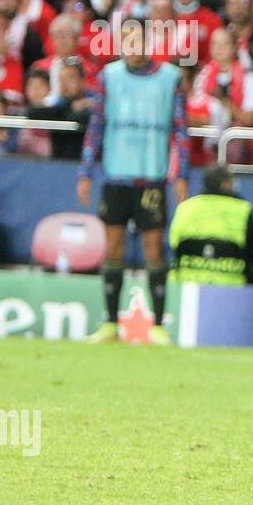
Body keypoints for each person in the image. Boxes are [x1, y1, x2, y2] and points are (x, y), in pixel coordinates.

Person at [77, 21, 190, 346]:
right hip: (116, 176)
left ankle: (157, 325)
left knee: (153, 247)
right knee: (113, 246)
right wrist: (85, 171)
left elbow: (180, 129)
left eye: (138, 38)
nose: (133, 44)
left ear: (148, 41)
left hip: (151, 177)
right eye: (126, 38)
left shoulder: (170, 78)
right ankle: (111, 323)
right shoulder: (108, 76)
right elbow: (96, 125)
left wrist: (180, 173)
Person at [169, 164, 253, 287]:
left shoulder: (185, 207)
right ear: (224, 184)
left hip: (185, 283)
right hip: (230, 284)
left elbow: (174, 244)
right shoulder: (242, 209)